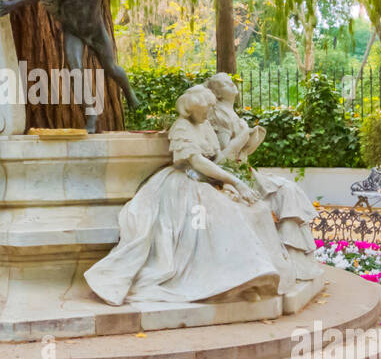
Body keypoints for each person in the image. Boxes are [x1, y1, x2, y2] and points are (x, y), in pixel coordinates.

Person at [84, 85, 309, 305]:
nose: (211, 112)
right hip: (185, 184)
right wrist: (234, 181)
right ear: (193, 108)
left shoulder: (205, 125)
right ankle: (231, 282)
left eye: (212, 107)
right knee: (220, 216)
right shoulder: (182, 127)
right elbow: (198, 162)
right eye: (207, 107)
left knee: (255, 211)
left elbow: (218, 159)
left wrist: (240, 149)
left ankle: (252, 279)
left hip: (210, 182)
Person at [202, 72, 321, 267]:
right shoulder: (218, 116)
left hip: (243, 171)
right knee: (286, 192)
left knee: (288, 191)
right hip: (231, 176)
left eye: (232, 81)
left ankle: (290, 255)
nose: (232, 84)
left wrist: (251, 139)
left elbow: (241, 153)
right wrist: (243, 136)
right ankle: (286, 255)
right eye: (225, 83)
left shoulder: (231, 113)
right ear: (217, 94)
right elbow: (224, 157)